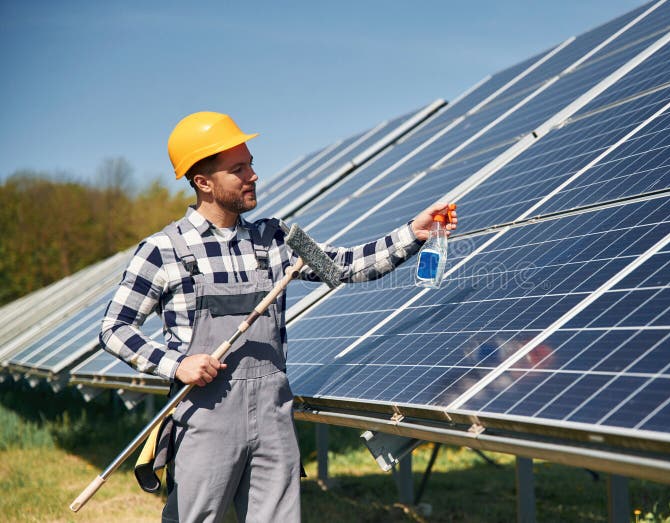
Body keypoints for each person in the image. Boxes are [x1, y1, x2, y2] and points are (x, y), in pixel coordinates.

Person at [99, 111, 457, 522]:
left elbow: (341, 267)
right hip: (205, 418)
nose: (253, 175)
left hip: (273, 415)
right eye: (239, 169)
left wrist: (414, 232)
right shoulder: (164, 249)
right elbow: (114, 329)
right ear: (203, 183)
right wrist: (177, 365)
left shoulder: (274, 239)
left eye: (250, 163)